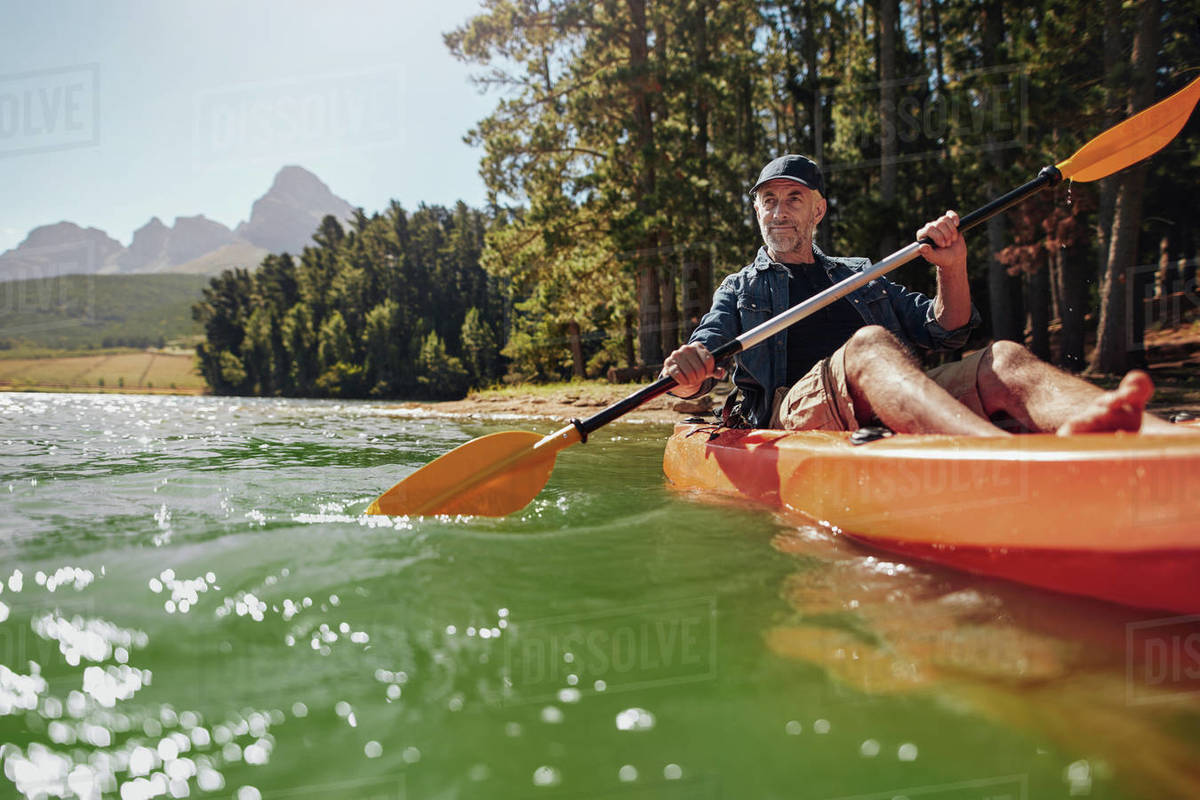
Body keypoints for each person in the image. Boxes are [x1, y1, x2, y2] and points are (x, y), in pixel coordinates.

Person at [663, 153, 1181, 436]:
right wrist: (687, 373)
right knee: (868, 346)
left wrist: (952, 266)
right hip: (794, 412)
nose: (778, 211)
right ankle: (994, 457)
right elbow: (695, 372)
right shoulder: (739, 289)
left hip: (880, 400)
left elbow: (948, 328)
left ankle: (1160, 439)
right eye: (768, 200)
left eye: (793, 198)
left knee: (1004, 358)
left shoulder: (860, 276)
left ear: (817, 210)